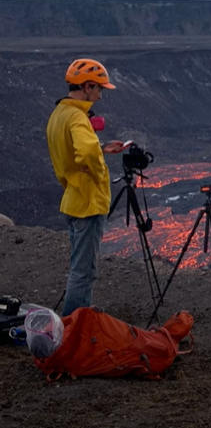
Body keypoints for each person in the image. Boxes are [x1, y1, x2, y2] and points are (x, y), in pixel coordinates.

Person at [46, 59, 125, 316]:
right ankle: (72, 332)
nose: (100, 96)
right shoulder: (78, 117)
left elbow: (71, 153)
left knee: (79, 269)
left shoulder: (59, 114)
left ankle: (77, 323)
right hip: (88, 204)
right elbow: (86, 152)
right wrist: (99, 169)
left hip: (73, 199)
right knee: (84, 273)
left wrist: (102, 149)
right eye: (99, 89)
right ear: (88, 86)